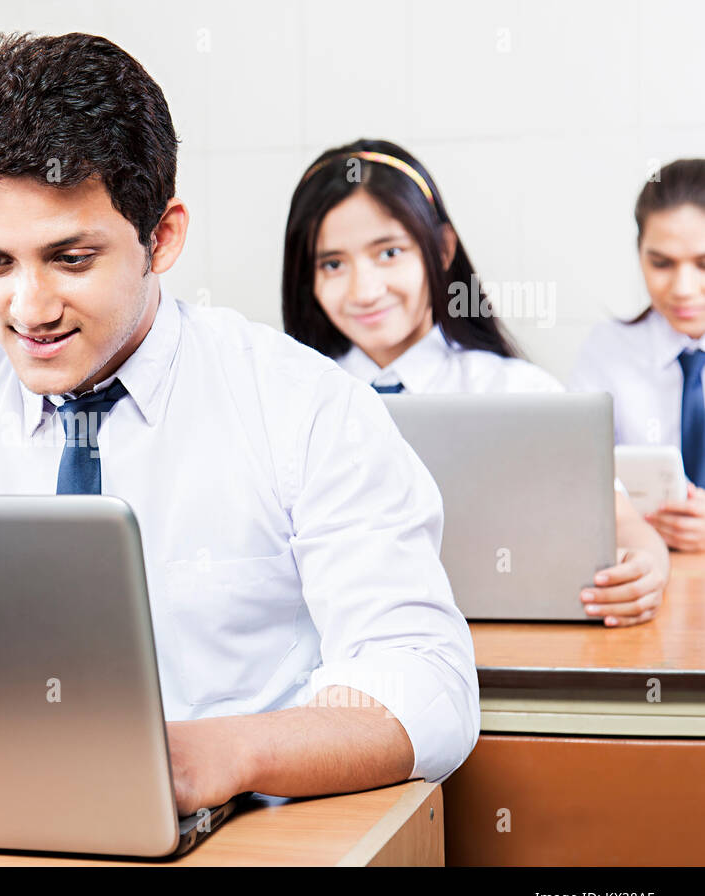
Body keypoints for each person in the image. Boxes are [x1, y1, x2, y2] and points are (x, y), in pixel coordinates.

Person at [0, 32, 479, 815]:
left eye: (71, 258)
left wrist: (218, 754)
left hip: (244, 837)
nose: (29, 310)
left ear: (163, 237)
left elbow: (428, 686)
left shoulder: (301, 407)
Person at [282, 140, 670, 627]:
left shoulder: (519, 393)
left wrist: (647, 568)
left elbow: (628, 529)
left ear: (441, 249)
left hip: (501, 652)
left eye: (389, 252)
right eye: (332, 264)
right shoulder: (285, 396)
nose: (364, 290)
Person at [571, 158, 705, 553]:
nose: (683, 288)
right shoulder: (606, 350)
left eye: (704, 264)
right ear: (639, 253)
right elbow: (575, 473)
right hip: (639, 561)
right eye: (661, 263)